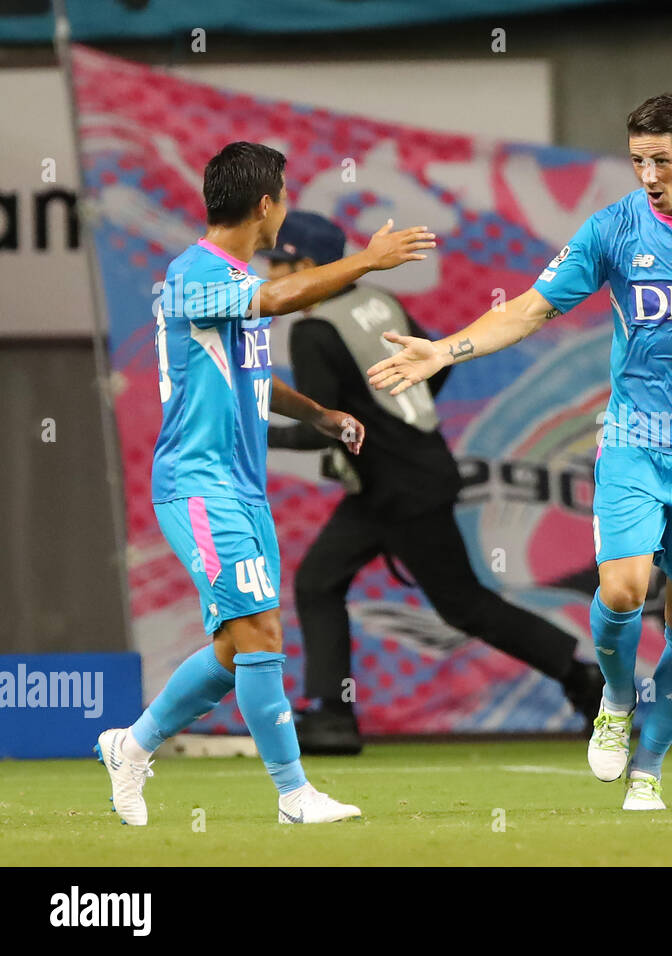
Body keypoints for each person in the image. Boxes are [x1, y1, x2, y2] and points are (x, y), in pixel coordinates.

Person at [367, 93, 672, 810]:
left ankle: (648, 768)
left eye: (660, 159)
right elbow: (529, 308)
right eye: (636, 161)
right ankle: (616, 704)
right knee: (622, 589)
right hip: (635, 444)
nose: (648, 174)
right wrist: (445, 349)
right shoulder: (614, 229)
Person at [95, 142, 436, 825]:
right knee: (260, 633)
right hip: (198, 486)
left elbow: (253, 373)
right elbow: (279, 296)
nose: (286, 206)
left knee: (235, 646)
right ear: (264, 205)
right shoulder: (194, 274)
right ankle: (293, 793)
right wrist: (368, 259)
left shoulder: (226, 279)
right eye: (282, 194)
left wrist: (320, 414)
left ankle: (131, 746)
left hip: (241, 489)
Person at [261, 211, 604, 754]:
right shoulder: (376, 300)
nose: (270, 277)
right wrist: (407, 423)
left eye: (277, 265)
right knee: (320, 581)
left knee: (461, 605)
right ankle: (331, 714)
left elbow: (328, 427)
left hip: (399, 488)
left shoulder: (312, 327)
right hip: (399, 476)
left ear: (306, 265)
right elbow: (433, 364)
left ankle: (585, 678)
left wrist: (257, 437)